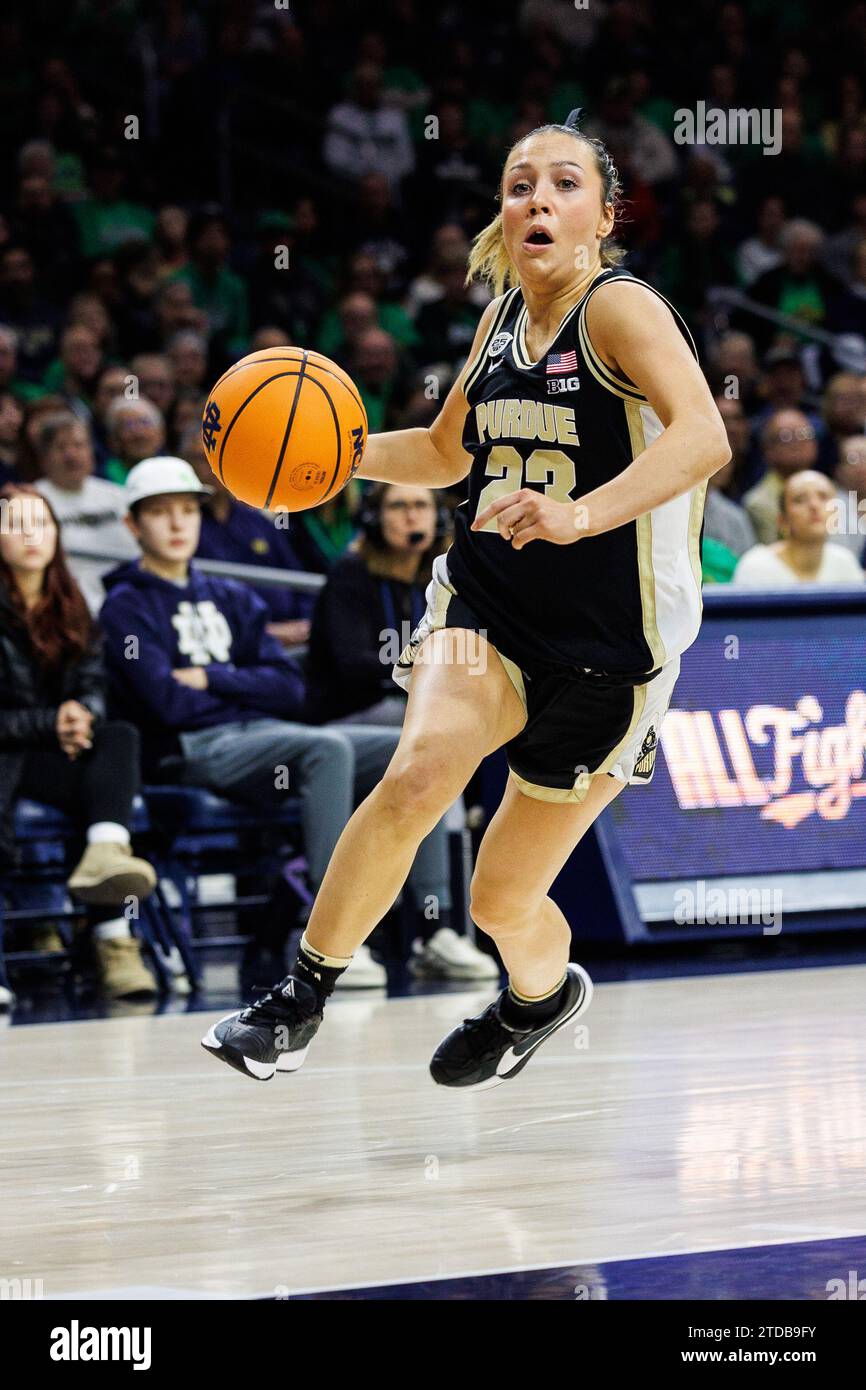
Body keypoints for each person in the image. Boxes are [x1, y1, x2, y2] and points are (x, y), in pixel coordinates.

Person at [202, 111, 730, 1088]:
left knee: (500, 900)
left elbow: (702, 437)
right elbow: (447, 453)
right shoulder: (497, 323)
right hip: (487, 607)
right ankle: (297, 1000)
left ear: (602, 215)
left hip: (613, 653)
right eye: (518, 181)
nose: (537, 196)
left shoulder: (620, 310)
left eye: (563, 182)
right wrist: (337, 453)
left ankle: (537, 998)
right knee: (413, 778)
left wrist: (580, 517)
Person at [99, 456, 462, 988]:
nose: (178, 524)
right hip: (189, 750)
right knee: (327, 750)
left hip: (261, 737)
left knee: (416, 748)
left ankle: (435, 929)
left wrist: (209, 677)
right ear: (133, 525)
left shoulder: (231, 596)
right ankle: (333, 940)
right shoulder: (124, 606)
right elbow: (167, 704)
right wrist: (239, 686)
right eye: (160, 513)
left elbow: (288, 687)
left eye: (187, 511)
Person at [0, 485, 158, 999]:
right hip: (10, 757)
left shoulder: (72, 605)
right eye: (16, 525)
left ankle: (108, 885)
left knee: (118, 736)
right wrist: (52, 723)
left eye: (41, 525)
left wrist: (81, 717)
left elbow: (93, 683)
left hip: (55, 755)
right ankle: (109, 928)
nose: (31, 537)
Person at [33, 411, 137, 613]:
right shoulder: (33, 500)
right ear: (44, 458)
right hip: (66, 606)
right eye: (61, 447)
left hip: (128, 598)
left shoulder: (118, 495)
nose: (71, 455)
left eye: (79, 445)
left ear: (91, 451)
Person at [733, 470, 866, 587]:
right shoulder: (755, 568)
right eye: (800, 499)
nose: (814, 505)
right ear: (782, 521)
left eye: (823, 497)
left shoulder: (844, 562)